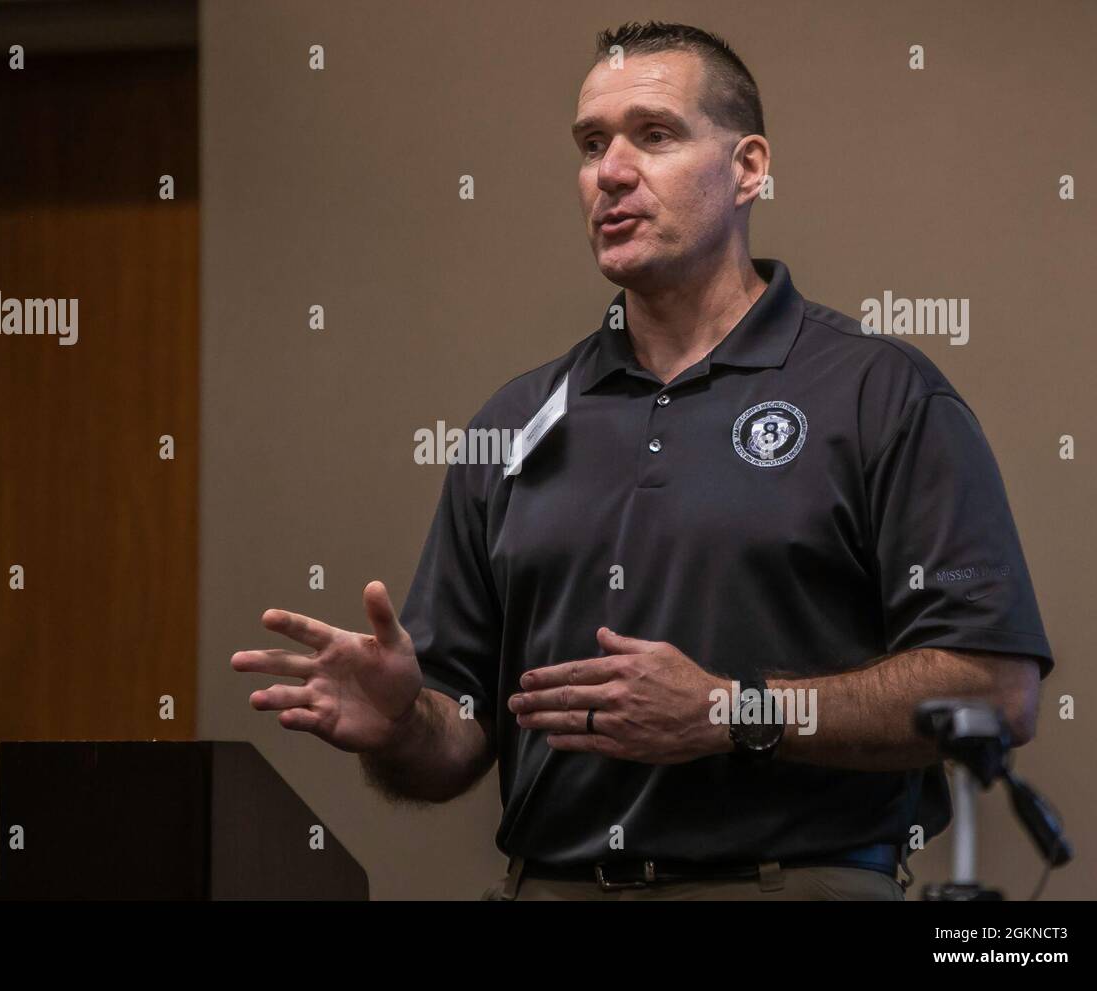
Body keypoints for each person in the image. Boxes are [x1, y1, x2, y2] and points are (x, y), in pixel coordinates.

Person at [231, 21, 1052, 900]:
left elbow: (995, 689)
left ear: (747, 168)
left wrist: (732, 709)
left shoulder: (879, 393)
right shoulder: (513, 423)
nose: (610, 173)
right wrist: (401, 721)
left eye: (653, 134)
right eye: (591, 145)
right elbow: (454, 746)